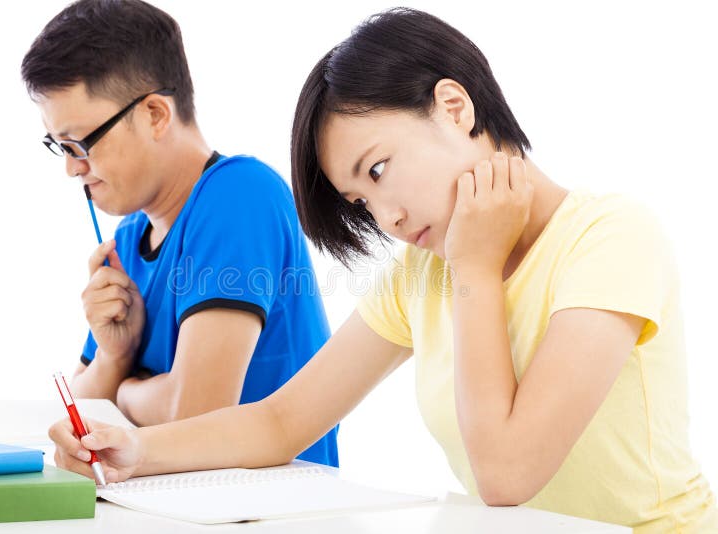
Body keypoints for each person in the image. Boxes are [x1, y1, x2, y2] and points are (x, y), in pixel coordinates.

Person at [48, 7, 716, 532]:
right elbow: (282, 422)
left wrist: (475, 271)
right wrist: (137, 453)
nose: (386, 218)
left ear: (453, 107)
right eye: (360, 202)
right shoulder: (422, 271)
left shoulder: (611, 234)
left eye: (377, 170)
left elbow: (508, 474)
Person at [23, 0, 337, 467]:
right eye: (60, 147)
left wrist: (123, 390)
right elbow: (76, 417)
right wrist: (114, 357)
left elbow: (195, 413)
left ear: (154, 114)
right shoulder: (128, 238)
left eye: (81, 143)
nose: (72, 168)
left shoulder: (239, 196)